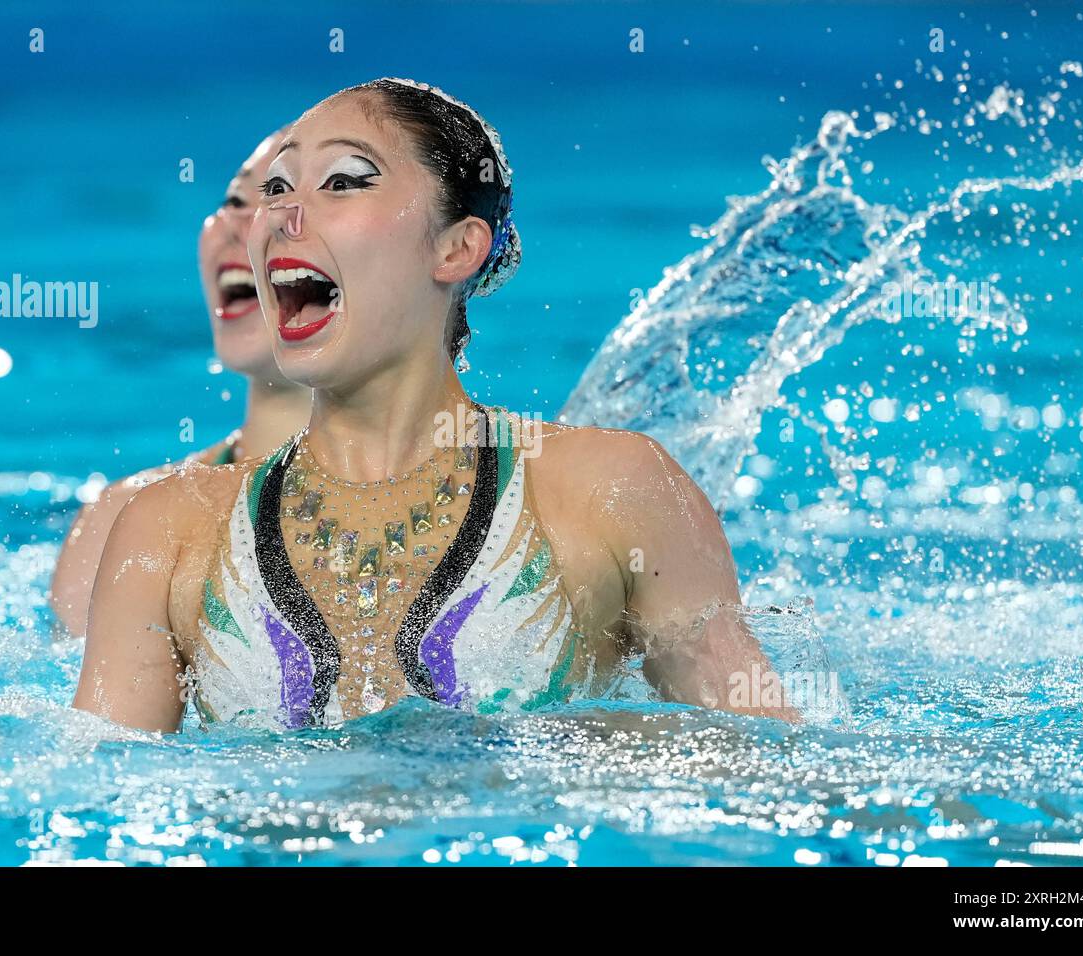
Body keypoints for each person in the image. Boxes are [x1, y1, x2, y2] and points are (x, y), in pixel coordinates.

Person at [72, 78, 801, 732]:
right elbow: (92, 798)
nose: (283, 215)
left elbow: (763, 767)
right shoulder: (164, 533)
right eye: (276, 189)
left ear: (456, 250)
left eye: (343, 181)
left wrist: (609, 749)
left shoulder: (614, 490)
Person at [50, 130, 313, 636]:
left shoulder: (500, 507)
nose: (243, 228)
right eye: (235, 199)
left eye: (282, 202)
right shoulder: (121, 524)